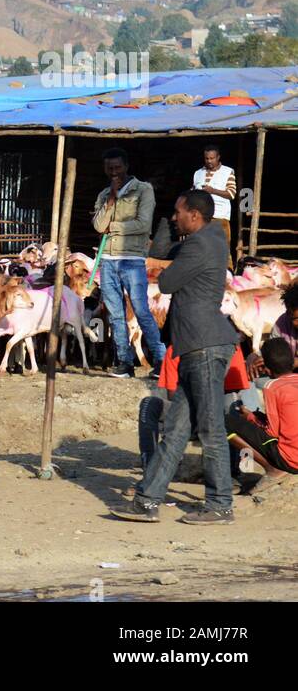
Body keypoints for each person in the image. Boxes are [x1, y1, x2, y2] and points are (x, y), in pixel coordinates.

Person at [111, 189, 239, 525]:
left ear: (194, 216)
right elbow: (166, 261)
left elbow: (165, 282)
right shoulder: (210, 237)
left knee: (210, 429)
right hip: (196, 345)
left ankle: (220, 505)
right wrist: (171, 238)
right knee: (177, 430)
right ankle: (147, 501)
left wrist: (166, 247)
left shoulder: (199, 244)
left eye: (178, 212)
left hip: (204, 345)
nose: (173, 217)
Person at [91, 146, 166, 378]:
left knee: (141, 309)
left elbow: (143, 224)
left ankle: (161, 361)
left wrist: (112, 228)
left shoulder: (143, 190)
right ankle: (124, 362)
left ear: (126, 166)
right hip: (108, 261)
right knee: (115, 314)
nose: (114, 172)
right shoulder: (104, 195)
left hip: (132, 259)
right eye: (109, 168)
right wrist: (111, 200)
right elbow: (96, 225)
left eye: (117, 167)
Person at [226, 339, 298, 489]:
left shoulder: (272, 386)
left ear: (266, 368)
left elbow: (272, 432)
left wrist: (250, 417)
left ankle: (272, 469)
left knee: (225, 423)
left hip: (291, 461)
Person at [192, 144, 236, 261]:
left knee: (222, 249)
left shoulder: (227, 171)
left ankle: (227, 274)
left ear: (218, 157)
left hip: (219, 217)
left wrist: (213, 191)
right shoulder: (198, 173)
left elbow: (231, 194)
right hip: (201, 218)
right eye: (207, 158)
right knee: (202, 248)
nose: (209, 161)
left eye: (212, 158)